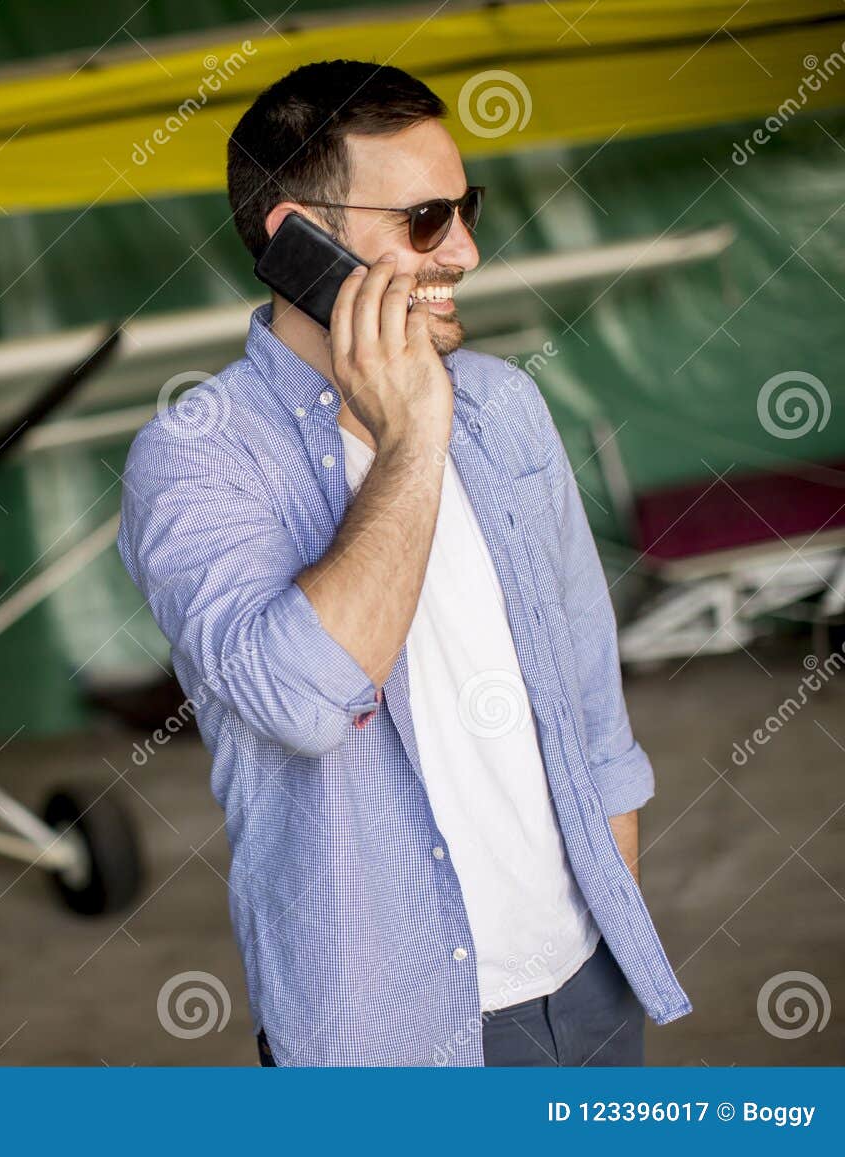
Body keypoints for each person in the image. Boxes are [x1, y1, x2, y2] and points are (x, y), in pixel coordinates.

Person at [117, 59, 691, 1066]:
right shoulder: (194, 456)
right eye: (426, 220)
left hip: (590, 987)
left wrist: (606, 923)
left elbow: (590, 702)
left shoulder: (504, 405)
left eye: (467, 207)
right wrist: (413, 435)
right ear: (296, 237)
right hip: (385, 1038)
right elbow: (302, 701)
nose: (464, 250)